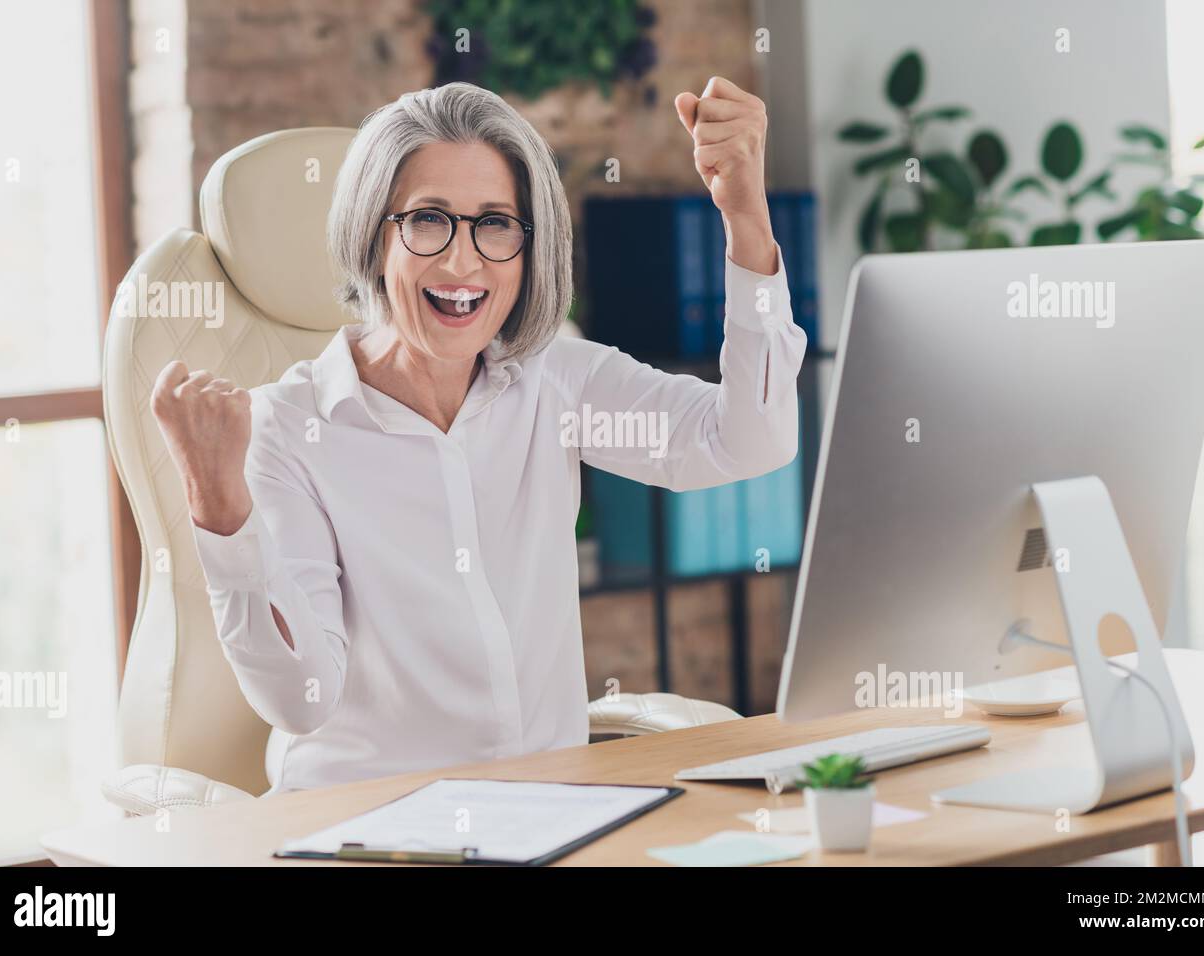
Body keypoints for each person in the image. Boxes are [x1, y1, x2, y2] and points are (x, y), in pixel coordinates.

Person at [150, 77, 807, 793]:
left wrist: (745, 215)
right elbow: (299, 699)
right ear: (374, 239)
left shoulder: (554, 378)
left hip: (549, 813)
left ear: (528, 253)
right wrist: (219, 508)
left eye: (496, 224)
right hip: (366, 827)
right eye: (428, 220)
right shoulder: (289, 428)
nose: (463, 263)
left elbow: (748, 440)